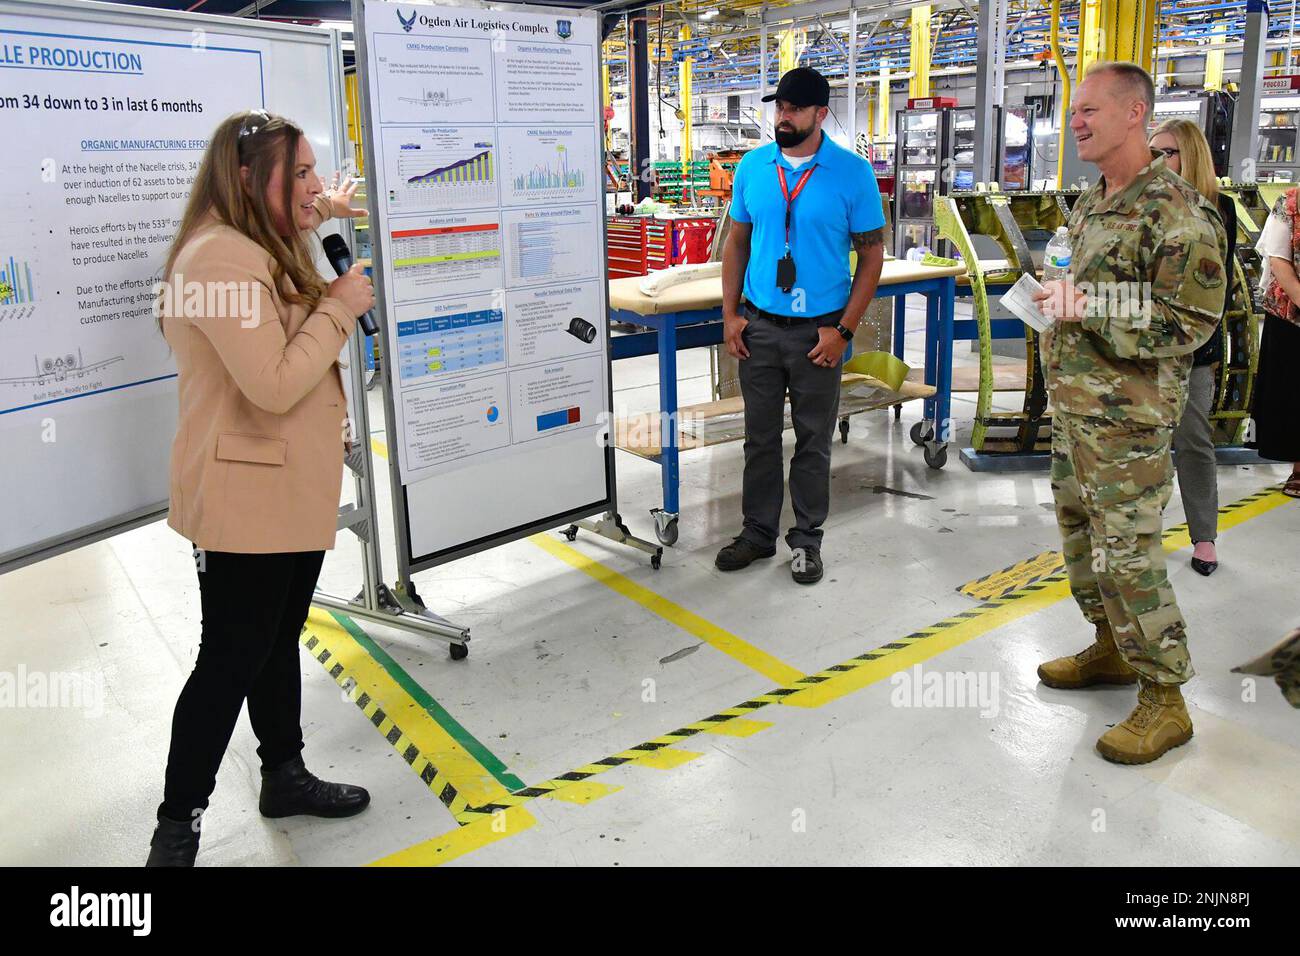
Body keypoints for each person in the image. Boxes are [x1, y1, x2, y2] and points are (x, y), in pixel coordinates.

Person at [146, 109, 375, 866]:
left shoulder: (257, 241)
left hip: (286, 490)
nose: (314, 187)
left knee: (277, 642)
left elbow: (287, 304)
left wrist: (319, 209)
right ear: (248, 179)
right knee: (232, 657)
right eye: (299, 174)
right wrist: (339, 308)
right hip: (246, 497)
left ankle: (285, 773)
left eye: (316, 173)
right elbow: (273, 383)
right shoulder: (216, 259)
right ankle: (176, 825)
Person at [1033, 63, 1226, 764]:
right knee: (1083, 541)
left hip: (1129, 423)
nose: (1075, 121)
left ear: (1135, 112)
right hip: (1076, 411)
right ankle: (1113, 648)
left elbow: (1192, 320)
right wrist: (1054, 297)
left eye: (1089, 109)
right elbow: (1082, 287)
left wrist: (1089, 308)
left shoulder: (1176, 210)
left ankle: (1165, 697)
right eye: (1073, 111)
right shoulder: (1092, 201)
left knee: (1130, 554)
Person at [716, 66, 886, 585]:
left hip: (820, 333)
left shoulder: (852, 174)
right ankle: (757, 533)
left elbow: (872, 255)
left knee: (814, 439)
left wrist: (845, 331)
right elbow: (737, 243)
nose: (782, 116)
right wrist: (730, 315)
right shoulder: (752, 167)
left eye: (793, 108)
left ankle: (807, 541)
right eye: (778, 107)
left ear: (819, 114)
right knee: (759, 438)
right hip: (760, 328)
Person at [1148, 119, 1236, 574]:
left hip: (1194, 351)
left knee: (1193, 440)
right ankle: (1144, 532)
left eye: (1168, 152)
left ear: (1191, 155)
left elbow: (1214, 290)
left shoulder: (1218, 210)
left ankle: (1204, 536)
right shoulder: (1143, 207)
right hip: (1142, 350)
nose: (1158, 161)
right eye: (1153, 152)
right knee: (1146, 444)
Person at [1250, 186, 1300, 497]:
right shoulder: (1290, 203)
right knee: (1295, 396)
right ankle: (1298, 468)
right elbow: (1279, 260)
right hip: (1292, 318)